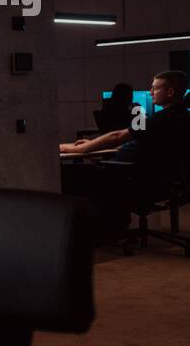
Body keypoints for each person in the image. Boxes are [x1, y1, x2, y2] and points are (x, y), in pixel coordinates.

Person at [60, 71, 190, 241]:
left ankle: (97, 233)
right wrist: (92, 143)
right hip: (162, 180)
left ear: (170, 92)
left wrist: (74, 150)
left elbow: (117, 136)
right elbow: (140, 140)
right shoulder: (183, 117)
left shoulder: (161, 118)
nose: (150, 93)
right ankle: (113, 228)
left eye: (154, 88)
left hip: (135, 179)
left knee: (71, 174)